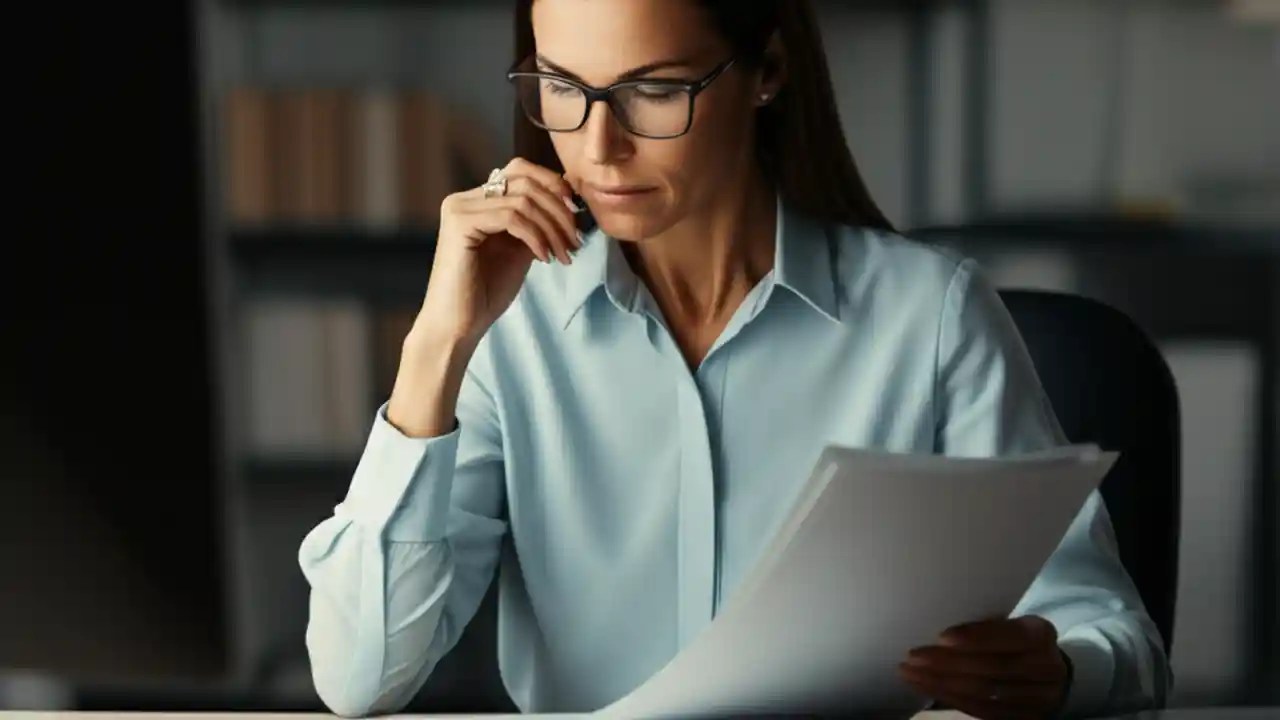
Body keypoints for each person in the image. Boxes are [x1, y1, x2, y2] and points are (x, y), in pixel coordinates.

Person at [297, 1, 1172, 717]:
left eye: (655, 91)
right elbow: (360, 678)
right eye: (563, 87)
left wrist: (1056, 673)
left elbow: (1115, 638)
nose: (598, 146)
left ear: (769, 72)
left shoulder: (930, 319)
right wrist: (436, 343)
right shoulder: (513, 329)